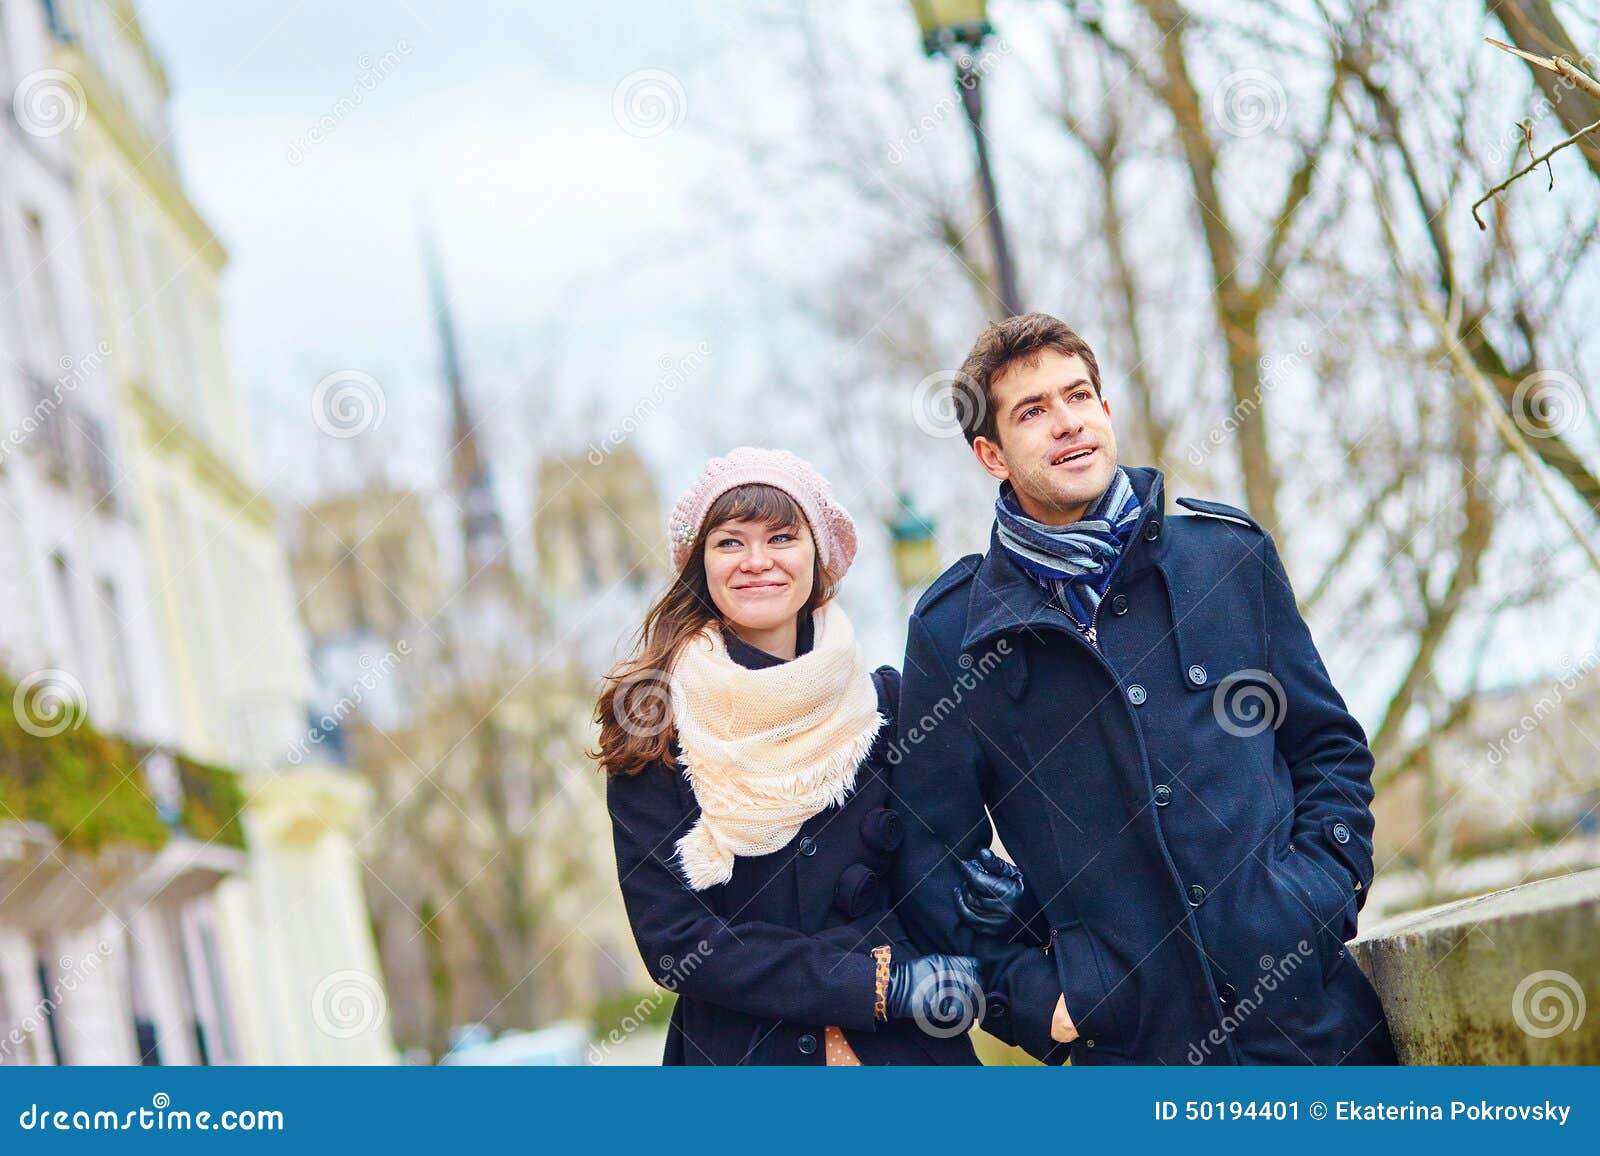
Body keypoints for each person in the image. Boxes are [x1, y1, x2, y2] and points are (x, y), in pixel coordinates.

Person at [892, 313, 1399, 1065]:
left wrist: (1314, 899)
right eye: (1033, 412)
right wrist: (1033, 997)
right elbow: (933, 861)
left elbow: (1327, 749)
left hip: (1316, 1036)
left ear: (1105, 410)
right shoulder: (953, 633)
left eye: (1079, 395)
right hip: (1134, 1063)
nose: (1067, 423)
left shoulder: (1226, 556)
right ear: (990, 454)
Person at [597, 447, 983, 1065]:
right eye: (730, 542)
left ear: (817, 555)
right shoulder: (654, 726)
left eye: (781, 536)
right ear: (701, 563)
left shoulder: (887, 703)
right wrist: (873, 987)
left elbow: (934, 874)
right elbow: (673, 940)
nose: (758, 562)